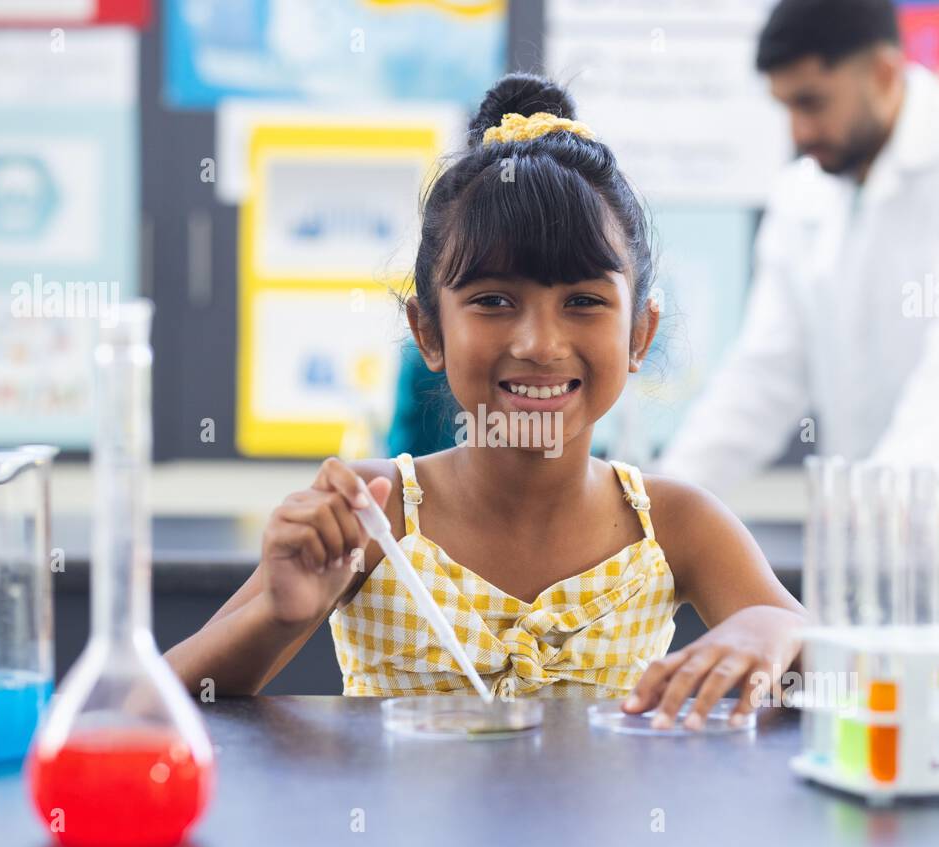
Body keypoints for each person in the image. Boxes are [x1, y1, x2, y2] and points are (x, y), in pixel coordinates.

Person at [167, 75, 806, 731]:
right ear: (429, 331)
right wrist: (280, 614)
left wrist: (774, 628)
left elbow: (860, 681)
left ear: (639, 333)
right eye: (494, 301)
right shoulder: (372, 512)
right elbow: (150, 705)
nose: (539, 343)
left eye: (584, 301)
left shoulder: (678, 523)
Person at [654, 0, 939, 511]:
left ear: (885, 73)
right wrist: (657, 505)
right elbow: (763, 376)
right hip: (880, 540)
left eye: (812, 102)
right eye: (787, 108)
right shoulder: (802, 195)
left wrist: (881, 503)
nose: (798, 132)